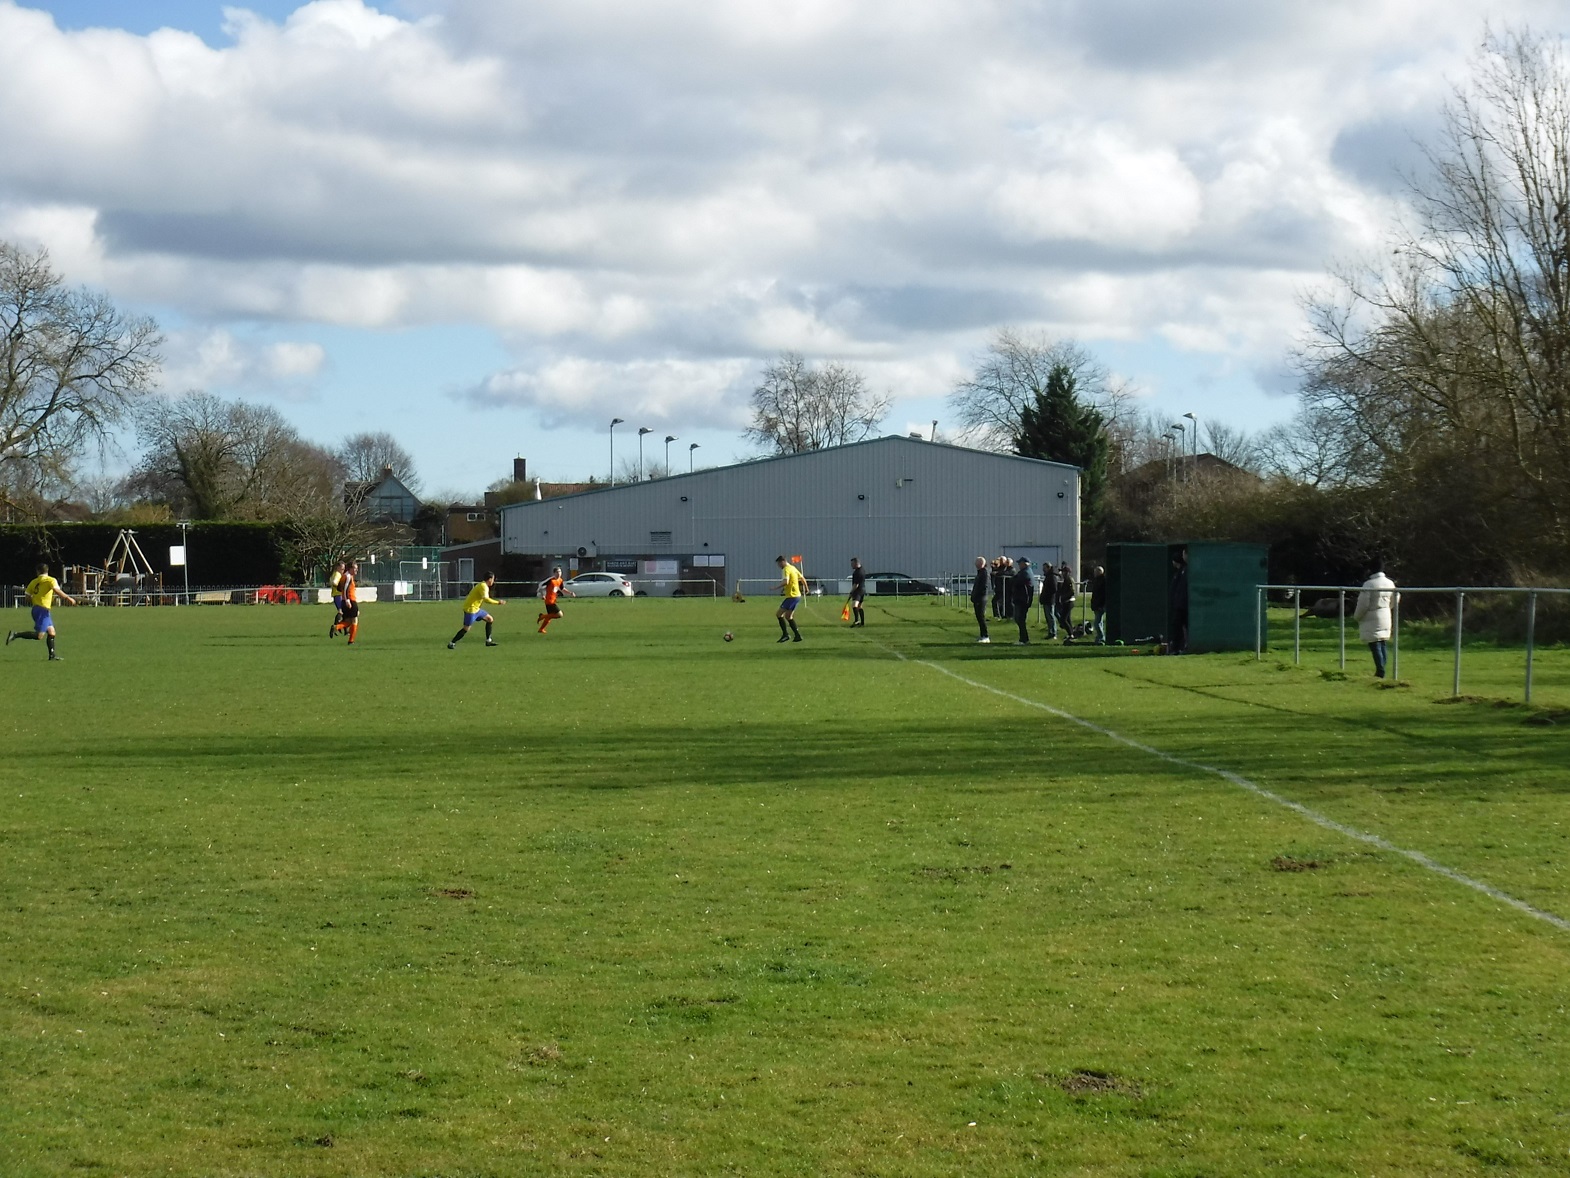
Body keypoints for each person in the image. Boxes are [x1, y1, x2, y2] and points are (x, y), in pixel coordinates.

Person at [7, 562, 76, 660]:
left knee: (52, 632)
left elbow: (27, 598)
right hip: (43, 610)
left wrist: (34, 598)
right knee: (39, 636)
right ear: (47, 571)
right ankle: (15, 634)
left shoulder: (33, 582)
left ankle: (52, 656)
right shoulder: (51, 580)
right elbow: (57, 591)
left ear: (38, 571)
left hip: (37, 609)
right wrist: (68, 598)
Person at [1352, 565, 1397, 678]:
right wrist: (1387, 608)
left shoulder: (1369, 584)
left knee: (1374, 643)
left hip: (1371, 616)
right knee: (1382, 642)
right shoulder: (1390, 583)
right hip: (1386, 614)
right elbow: (1395, 599)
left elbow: (1363, 604)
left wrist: (1357, 616)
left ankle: (1380, 671)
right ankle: (1382, 668)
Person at [449, 573, 504, 649]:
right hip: (470, 609)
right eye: (493, 579)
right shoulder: (483, 586)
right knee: (466, 629)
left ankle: (488, 640)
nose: (493, 581)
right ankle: (452, 643)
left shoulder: (483, 585)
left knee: (490, 619)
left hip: (476, 609)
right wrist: (498, 602)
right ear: (490, 579)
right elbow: (486, 599)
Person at [775, 555, 806, 643]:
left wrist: (775, 588)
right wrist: (806, 589)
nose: (779, 566)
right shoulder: (793, 568)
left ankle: (785, 635)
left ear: (783, 562)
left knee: (779, 614)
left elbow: (786, 581)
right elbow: (802, 578)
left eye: (779, 564)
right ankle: (797, 635)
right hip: (796, 596)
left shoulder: (786, 569)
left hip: (791, 596)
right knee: (788, 616)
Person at [537, 567, 575, 633]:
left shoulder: (560, 580)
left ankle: (541, 629)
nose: (559, 573)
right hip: (549, 601)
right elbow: (540, 586)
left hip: (553, 600)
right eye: (557, 572)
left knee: (550, 616)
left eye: (560, 572)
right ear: (554, 573)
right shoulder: (551, 580)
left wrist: (570, 593)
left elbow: (562, 589)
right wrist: (543, 595)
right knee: (559, 615)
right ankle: (542, 616)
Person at [1010, 556, 1035, 645]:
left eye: (1020, 563)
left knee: (1020, 619)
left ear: (1025, 564)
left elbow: (1016, 581)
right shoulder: (1026, 572)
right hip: (1023, 599)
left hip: (1022, 599)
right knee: (1020, 619)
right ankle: (1024, 638)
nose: (1019, 565)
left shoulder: (1025, 573)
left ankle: (1024, 639)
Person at [1167, 549, 1188, 654]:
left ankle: (1178, 647)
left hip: (1182, 605)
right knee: (1178, 626)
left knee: (1178, 626)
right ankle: (1177, 647)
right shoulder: (1181, 572)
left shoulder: (1185, 571)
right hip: (1179, 604)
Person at [338, 561, 361, 645]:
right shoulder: (348, 576)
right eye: (355, 568)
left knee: (348, 621)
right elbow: (345, 589)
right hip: (350, 600)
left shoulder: (345, 576)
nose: (356, 570)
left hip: (345, 600)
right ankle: (351, 641)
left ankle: (336, 627)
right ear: (350, 568)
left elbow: (339, 588)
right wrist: (347, 600)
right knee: (355, 620)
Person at [970, 556, 991, 644]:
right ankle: (982, 635)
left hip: (981, 598)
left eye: (977, 563)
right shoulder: (980, 573)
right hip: (977, 598)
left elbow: (983, 586)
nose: (976, 564)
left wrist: (978, 595)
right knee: (979, 617)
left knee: (981, 617)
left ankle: (985, 636)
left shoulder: (984, 573)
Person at [1056, 562, 1077, 637]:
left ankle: (1070, 634)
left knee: (1063, 620)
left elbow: (1072, 591)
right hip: (1066, 601)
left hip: (1069, 601)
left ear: (1067, 572)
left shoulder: (1069, 579)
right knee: (1068, 619)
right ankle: (1071, 633)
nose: (1062, 573)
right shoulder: (1065, 579)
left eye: (1063, 571)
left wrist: (1063, 597)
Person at [1039, 560, 1060, 637]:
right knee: (1048, 617)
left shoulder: (1052, 576)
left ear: (1048, 568)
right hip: (1047, 599)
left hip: (1049, 599)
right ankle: (1050, 632)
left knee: (1050, 616)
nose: (1043, 570)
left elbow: (1054, 588)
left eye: (1044, 568)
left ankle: (1053, 632)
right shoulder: (1049, 576)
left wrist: (1046, 594)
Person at [1088, 564, 1108, 644]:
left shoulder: (1102, 581)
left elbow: (1102, 594)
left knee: (1097, 623)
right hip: (1097, 604)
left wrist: (1101, 604)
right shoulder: (1098, 580)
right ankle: (1099, 637)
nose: (1094, 573)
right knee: (1100, 622)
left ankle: (1101, 637)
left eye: (1095, 572)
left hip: (1100, 605)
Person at [327, 560, 346, 638]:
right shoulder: (337, 574)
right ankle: (336, 627)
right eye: (342, 568)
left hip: (338, 595)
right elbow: (334, 582)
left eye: (344, 569)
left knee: (344, 613)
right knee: (341, 612)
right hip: (338, 595)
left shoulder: (336, 574)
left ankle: (340, 629)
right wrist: (340, 587)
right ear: (338, 568)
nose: (343, 570)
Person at [848, 557, 867, 627]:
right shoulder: (862, 570)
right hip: (863, 589)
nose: (851, 565)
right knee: (859, 606)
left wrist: (851, 592)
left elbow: (856, 584)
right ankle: (862, 623)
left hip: (858, 590)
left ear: (856, 563)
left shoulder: (857, 572)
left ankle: (856, 621)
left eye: (852, 564)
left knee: (854, 605)